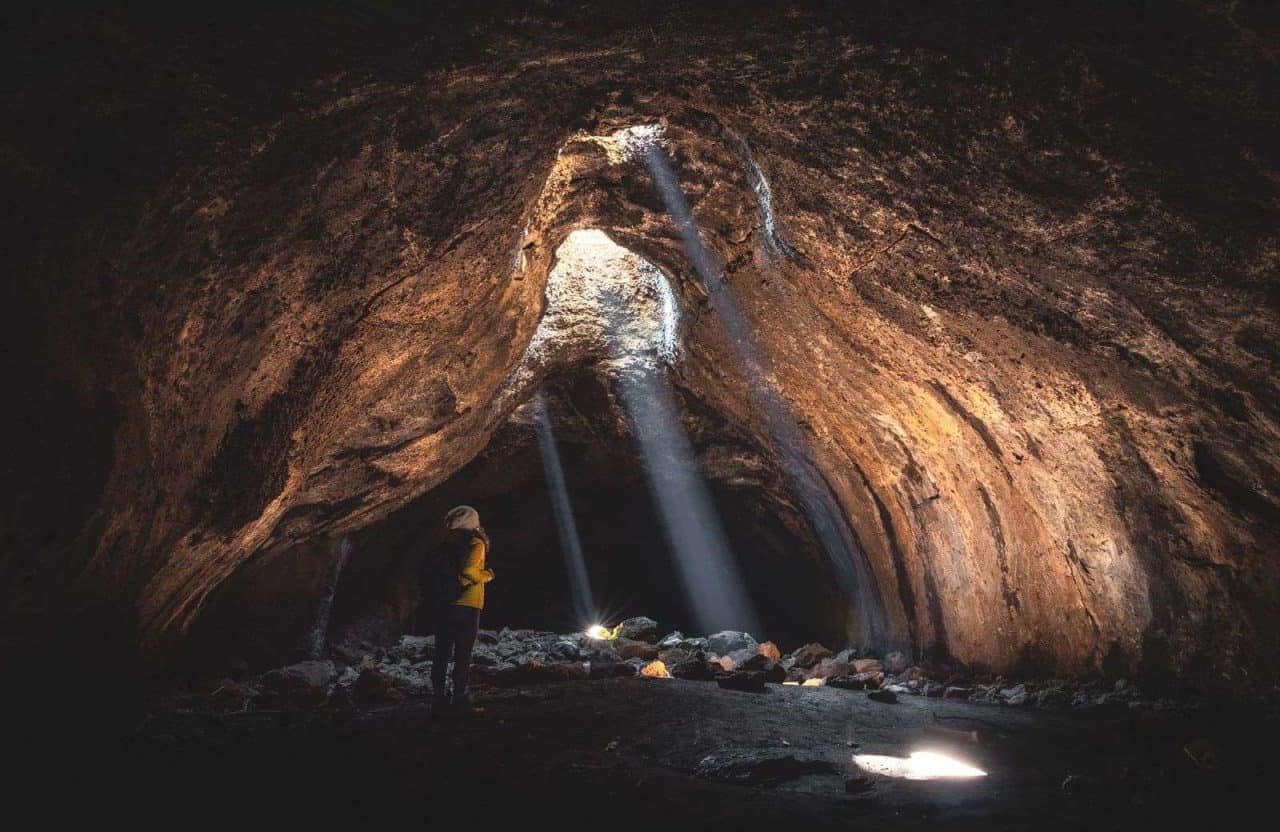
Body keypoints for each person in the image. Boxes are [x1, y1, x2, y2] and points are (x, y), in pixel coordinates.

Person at [428, 504, 494, 715]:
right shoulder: (475, 542)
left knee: (442, 653)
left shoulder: (446, 543)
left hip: (444, 603)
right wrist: (487, 575)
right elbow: (469, 570)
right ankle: (460, 700)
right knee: (463, 654)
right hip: (467, 603)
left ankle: (438, 700)